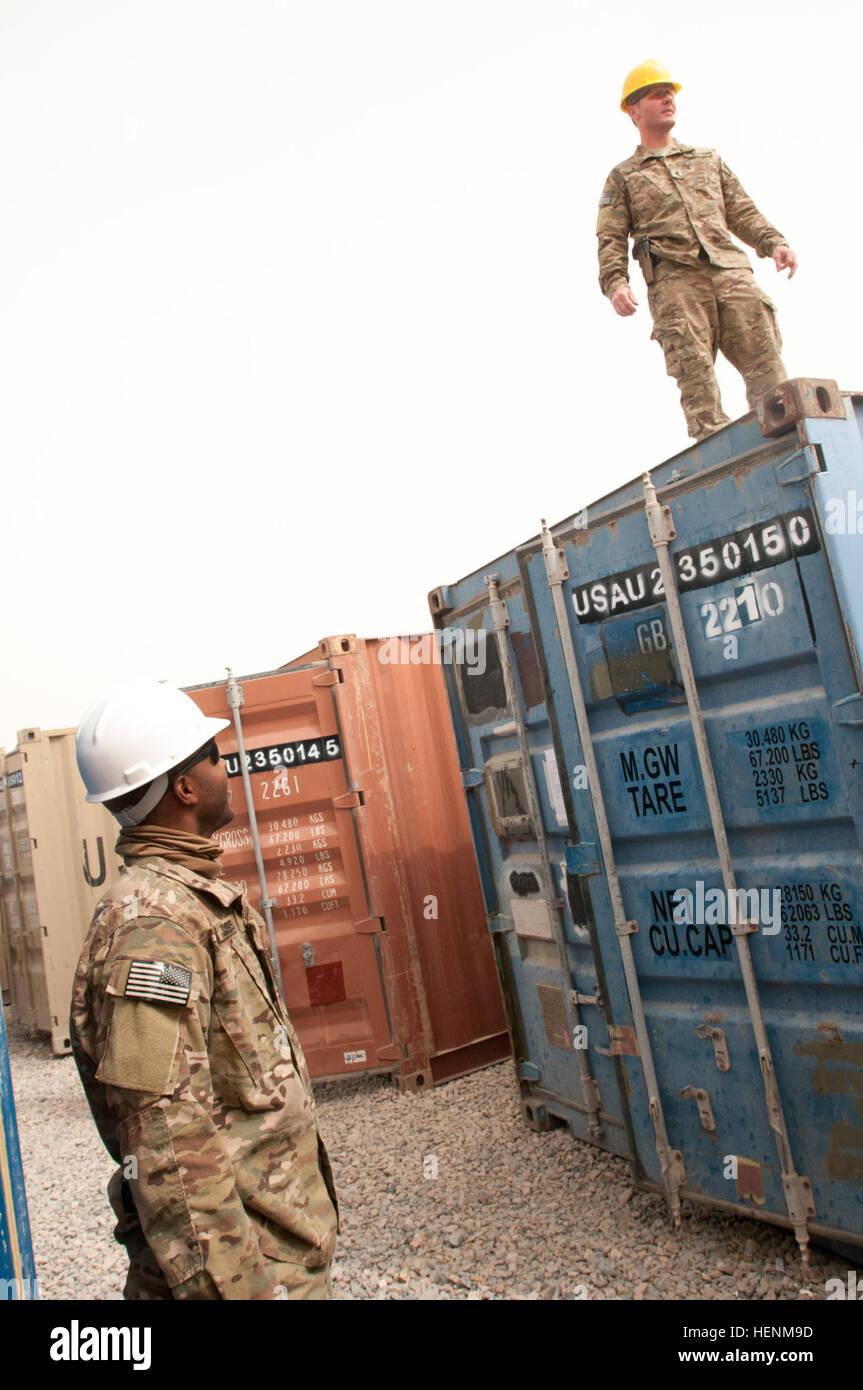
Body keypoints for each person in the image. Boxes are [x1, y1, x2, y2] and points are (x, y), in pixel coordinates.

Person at [70, 679, 339, 1300]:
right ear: (185, 788)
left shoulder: (189, 903)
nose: (228, 766)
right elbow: (166, 1135)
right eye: (214, 756)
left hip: (275, 1257)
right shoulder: (154, 927)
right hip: (248, 1276)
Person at [596, 59, 798, 440]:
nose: (667, 99)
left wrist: (774, 243)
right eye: (656, 95)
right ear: (634, 111)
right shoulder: (624, 176)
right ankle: (720, 456)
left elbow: (741, 210)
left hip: (731, 274)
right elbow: (610, 236)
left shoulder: (707, 159)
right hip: (676, 285)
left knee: (768, 368)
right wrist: (615, 282)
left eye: (669, 93)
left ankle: (787, 441)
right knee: (698, 382)